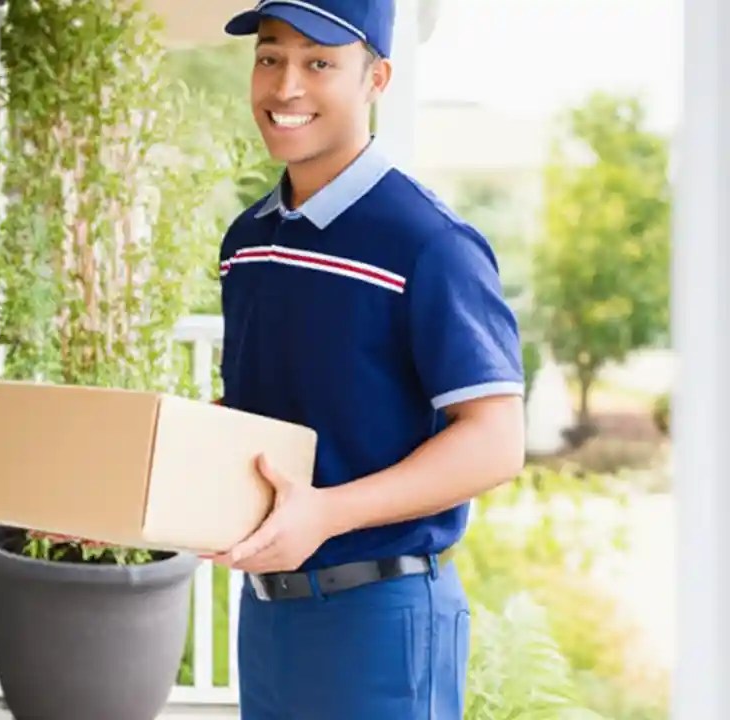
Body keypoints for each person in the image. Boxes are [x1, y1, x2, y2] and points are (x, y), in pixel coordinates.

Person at [204, 1, 527, 717]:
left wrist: (326, 514)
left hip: (381, 616)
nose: (285, 87)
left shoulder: (429, 242)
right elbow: (275, 412)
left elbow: (496, 442)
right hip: (269, 614)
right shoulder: (247, 241)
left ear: (375, 78)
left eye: (319, 62)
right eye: (269, 57)